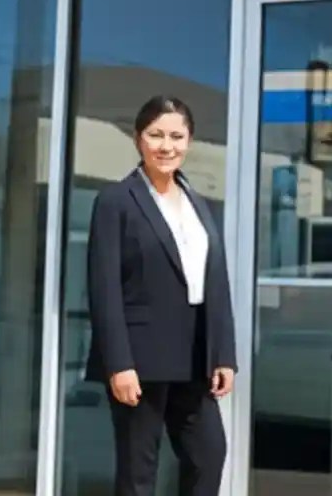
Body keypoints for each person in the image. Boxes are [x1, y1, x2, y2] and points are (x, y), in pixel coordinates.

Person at [85, 95, 236, 496]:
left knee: (209, 455)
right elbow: (104, 288)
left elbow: (215, 281)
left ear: (189, 141)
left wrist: (223, 353)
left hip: (195, 358)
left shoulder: (199, 204)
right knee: (139, 473)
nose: (166, 146)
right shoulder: (116, 201)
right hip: (139, 359)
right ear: (138, 140)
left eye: (176, 136)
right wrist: (118, 363)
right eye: (155, 135)